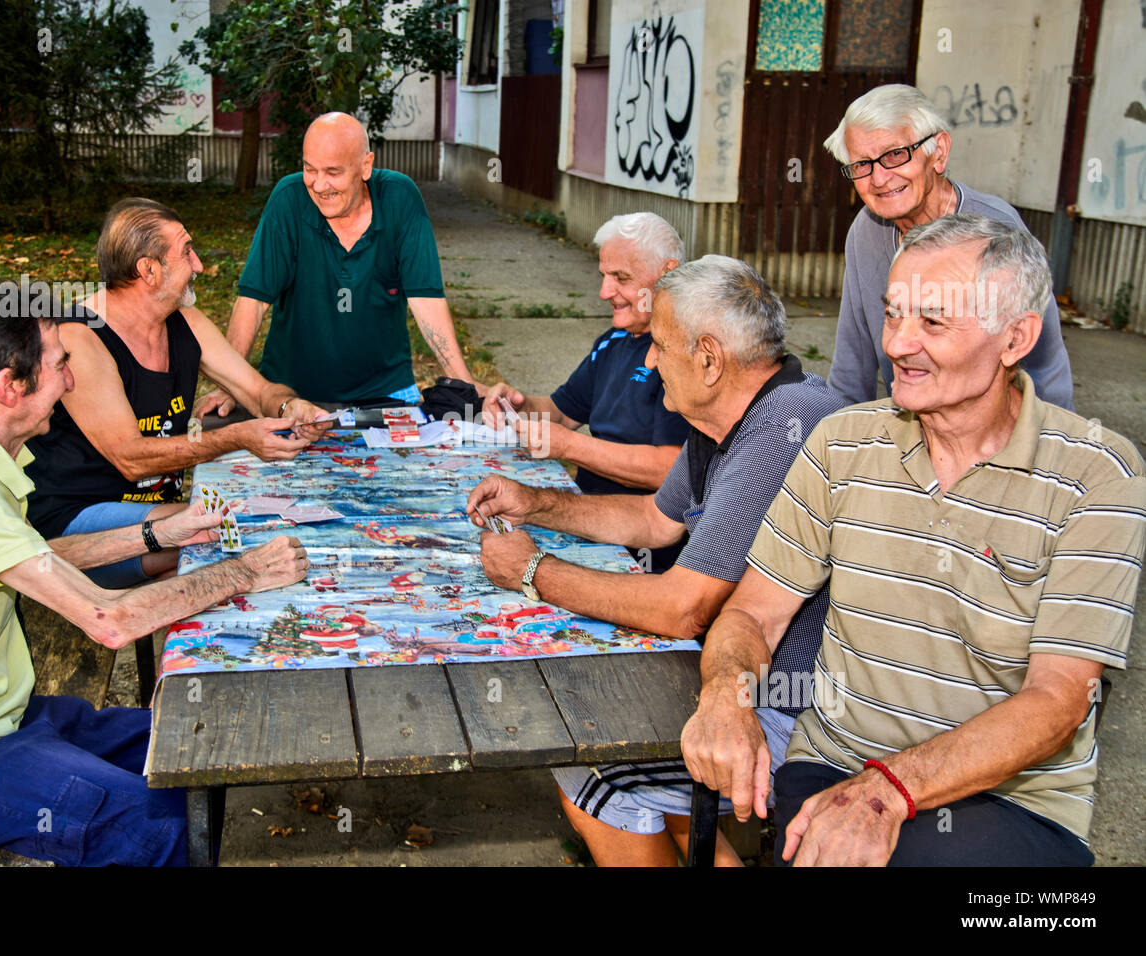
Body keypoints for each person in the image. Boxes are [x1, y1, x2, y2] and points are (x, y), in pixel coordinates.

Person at [681, 215, 1144, 867]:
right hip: (838, 762)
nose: (898, 343)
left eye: (933, 321)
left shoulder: (1098, 474)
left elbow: (1059, 699)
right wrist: (726, 696)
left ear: (1016, 338)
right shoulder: (841, 444)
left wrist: (891, 790)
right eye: (893, 313)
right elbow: (753, 613)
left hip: (1009, 795)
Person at [0, 283, 313, 866]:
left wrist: (160, 533)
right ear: (9, 387)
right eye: (60, 365)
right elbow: (110, 620)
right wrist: (241, 573)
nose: (71, 381)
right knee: (167, 826)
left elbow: (34, 554)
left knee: (200, 745)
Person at [465, 256, 847, 865]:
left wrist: (533, 573)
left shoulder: (782, 426)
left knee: (596, 778)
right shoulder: (737, 409)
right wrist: (535, 502)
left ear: (709, 358)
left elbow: (682, 609)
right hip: (748, 678)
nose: (648, 359)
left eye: (660, 346)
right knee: (615, 748)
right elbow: (652, 519)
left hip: (802, 712)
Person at [24, 197, 325, 589]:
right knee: (237, 536)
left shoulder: (185, 322)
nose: (198, 265)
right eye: (186, 252)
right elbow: (131, 459)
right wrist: (236, 437)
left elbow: (257, 390)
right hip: (77, 521)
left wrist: (289, 406)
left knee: (248, 532)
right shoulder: (80, 337)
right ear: (148, 270)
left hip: (158, 516)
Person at [197, 112, 485, 412]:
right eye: (310, 169)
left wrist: (464, 385)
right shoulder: (288, 200)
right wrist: (229, 386)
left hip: (388, 392)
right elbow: (253, 301)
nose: (319, 185)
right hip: (291, 396)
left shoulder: (400, 199)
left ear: (366, 166)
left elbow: (426, 301)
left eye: (333, 172)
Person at [823, 83, 1074, 410]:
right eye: (862, 164)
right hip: (911, 417)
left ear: (938, 152)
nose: (879, 179)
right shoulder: (866, 231)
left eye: (895, 154)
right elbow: (852, 363)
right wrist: (838, 433)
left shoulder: (996, 230)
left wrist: (1044, 437)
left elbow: (1044, 365)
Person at [481, 213, 691, 570]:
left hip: (645, 551)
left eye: (621, 278)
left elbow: (670, 469)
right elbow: (563, 412)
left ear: (668, 273)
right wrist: (515, 404)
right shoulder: (614, 340)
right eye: (604, 276)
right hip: (586, 520)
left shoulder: (683, 354)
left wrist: (568, 446)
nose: (605, 292)